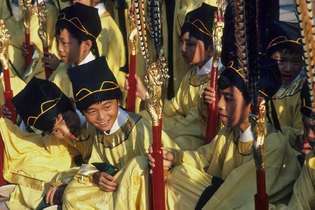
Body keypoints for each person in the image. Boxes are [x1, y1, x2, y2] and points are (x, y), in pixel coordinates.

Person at [117, 64, 301, 210]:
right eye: (220, 97)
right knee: (147, 167)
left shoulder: (272, 145)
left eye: (228, 98)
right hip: (215, 196)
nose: (219, 104)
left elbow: (237, 197)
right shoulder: (229, 133)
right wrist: (175, 157)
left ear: (255, 103)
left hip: (228, 203)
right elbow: (203, 158)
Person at [46, 57, 178, 209]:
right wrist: (95, 176)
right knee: (72, 194)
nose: (102, 117)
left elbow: (173, 157)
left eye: (107, 107)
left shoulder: (140, 128)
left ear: (118, 102)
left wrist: (167, 161)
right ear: (83, 112)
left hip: (142, 198)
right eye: (92, 111)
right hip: (112, 194)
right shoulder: (95, 132)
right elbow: (91, 164)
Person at [131, 3, 219, 149]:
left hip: (196, 141)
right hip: (182, 129)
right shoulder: (192, 73)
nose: (183, 49)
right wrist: (146, 95)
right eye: (181, 42)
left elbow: (197, 125)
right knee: (140, 120)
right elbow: (174, 108)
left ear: (210, 49)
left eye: (190, 44)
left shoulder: (218, 80)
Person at [0, 78, 85, 209]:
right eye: (56, 130)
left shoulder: (95, 123)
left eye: (63, 120)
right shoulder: (53, 143)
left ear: (72, 104)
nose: (67, 132)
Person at [48, 2, 102, 98]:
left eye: (65, 43)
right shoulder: (62, 70)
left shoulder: (96, 80)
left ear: (86, 45)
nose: (59, 49)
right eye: (57, 41)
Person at [267, 21, 305, 134]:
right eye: (282, 61)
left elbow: (300, 135)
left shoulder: (302, 94)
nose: (288, 68)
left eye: (296, 61)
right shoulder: (260, 88)